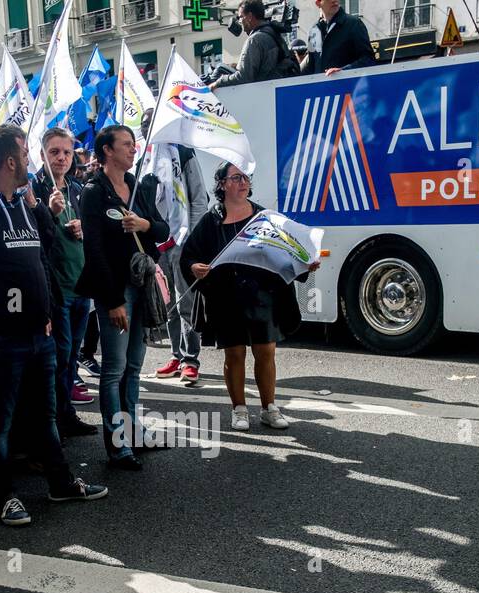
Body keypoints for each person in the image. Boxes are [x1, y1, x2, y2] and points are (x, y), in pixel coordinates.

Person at [0, 125, 108, 526]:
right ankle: (4, 495)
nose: (32, 161)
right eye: (26, 154)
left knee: (46, 416)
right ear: (10, 161)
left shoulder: (24, 202)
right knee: (0, 421)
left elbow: (43, 251)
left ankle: (60, 483)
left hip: (37, 332)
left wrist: (46, 311)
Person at [181, 162, 318, 431]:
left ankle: (269, 408)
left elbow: (288, 252)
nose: (243, 182)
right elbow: (190, 256)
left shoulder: (264, 217)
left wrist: (306, 263)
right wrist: (194, 267)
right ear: (222, 184)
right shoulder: (211, 220)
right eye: (236, 177)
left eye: (246, 177)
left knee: (265, 352)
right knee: (234, 354)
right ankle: (239, 409)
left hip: (262, 294)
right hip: (226, 297)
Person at [75, 125, 170, 470]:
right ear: (107, 151)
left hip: (140, 288)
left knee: (133, 366)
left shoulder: (137, 187)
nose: (133, 149)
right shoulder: (93, 192)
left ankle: (135, 433)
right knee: (113, 370)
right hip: (115, 290)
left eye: (133, 144)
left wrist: (144, 225)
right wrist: (113, 300)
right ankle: (117, 446)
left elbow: (162, 230)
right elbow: (94, 251)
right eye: (126, 144)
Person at [35, 128, 100, 417]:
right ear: (42, 155)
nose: (61, 158)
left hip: (81, 285)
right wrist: (49, 213)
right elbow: (33, 240)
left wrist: (83, 230)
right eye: (55, 152)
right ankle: (57, 419)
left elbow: (92, 233)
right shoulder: (33, 190)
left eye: (66, 152)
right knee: (59, 357)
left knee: (73, 356)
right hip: (56, 289)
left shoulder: (77, 188)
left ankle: (66, 414)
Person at [141, 114, 208, 388]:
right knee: (167, 301)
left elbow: (198, 197)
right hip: (157, 242)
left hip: (182, 239)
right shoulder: (142, 156)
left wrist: (190, 238)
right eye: (147, 127)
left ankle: (191, 360)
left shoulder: (183, 153)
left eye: (154, 125)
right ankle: (175, 354)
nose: (150, 130)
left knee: (186, 300)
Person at [212, 1, 297, 88]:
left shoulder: (254, 40)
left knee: (219, 70)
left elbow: (243, 77)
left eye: (241, 17)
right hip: (276, 90)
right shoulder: (274, 34)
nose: (240, 21)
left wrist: (217, 83)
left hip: (262, 93)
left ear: (249, 17)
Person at [306, 0, 378, 75]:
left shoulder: (354, 24)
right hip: (322, 86)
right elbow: (311, 68)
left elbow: (369, 59)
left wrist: (343, 71)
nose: (334, 0)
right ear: (318, 3)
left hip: (347, 85)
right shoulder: (314, 31)